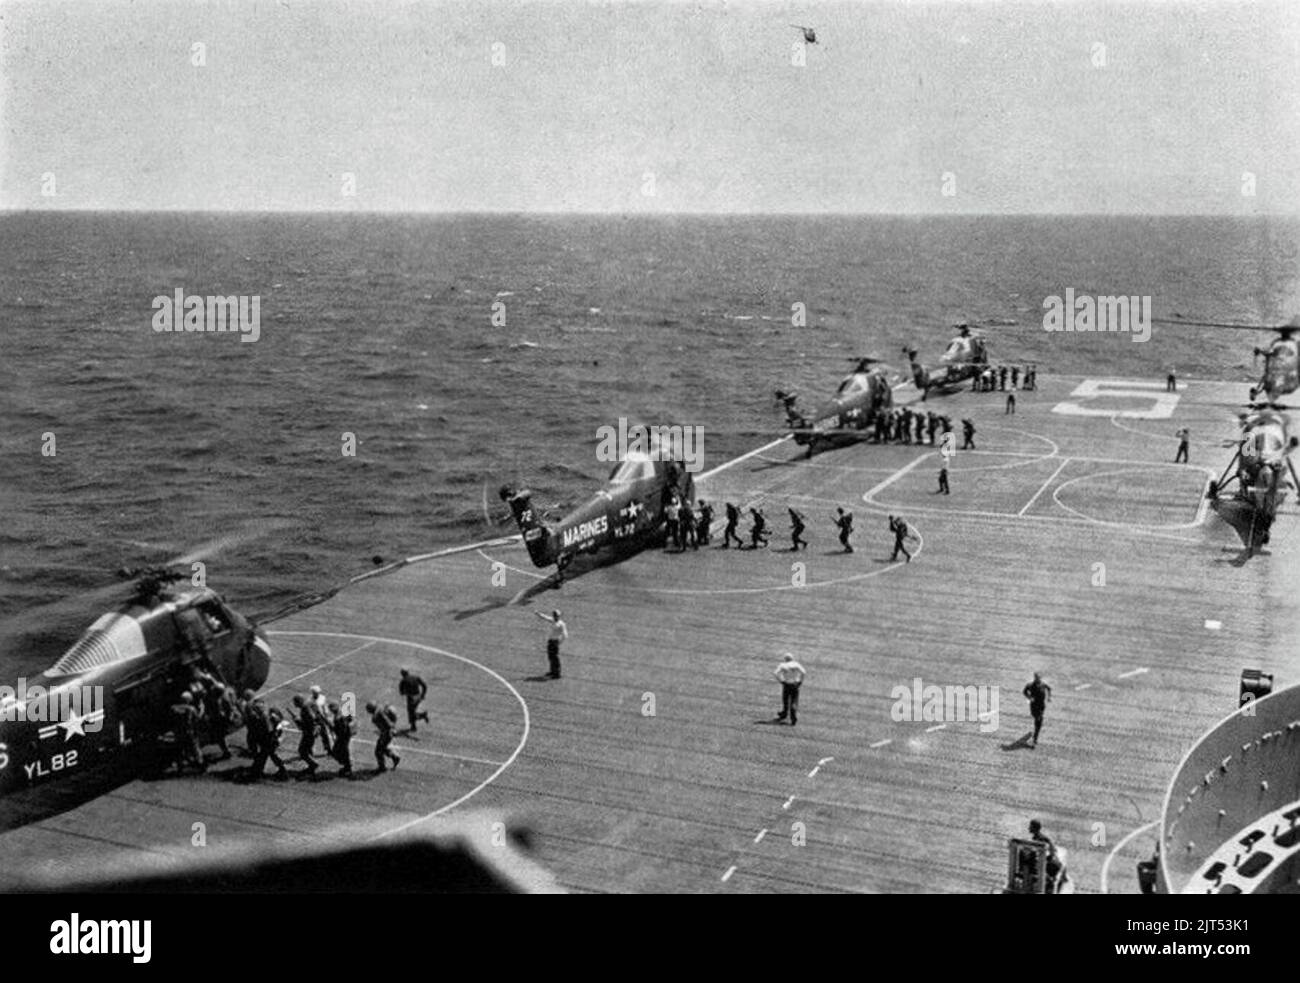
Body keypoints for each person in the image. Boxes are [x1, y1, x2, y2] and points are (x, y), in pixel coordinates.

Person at [170, 690, 205, 773]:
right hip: (190, 732)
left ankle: (180, 767)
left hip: (179, 732)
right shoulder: (191, 709)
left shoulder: (174, 708)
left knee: (180, 749)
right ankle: (201, 765)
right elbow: (198, 718)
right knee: (196, 748)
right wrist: (202, 709)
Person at [773, 653, 807, 726]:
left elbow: (775, 673)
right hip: (795, 684)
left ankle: (784, 713)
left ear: (785, 659)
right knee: (793, 701)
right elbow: (804, 672)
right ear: (792, 658)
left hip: (787, 684)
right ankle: (793, 716)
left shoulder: (783, 665)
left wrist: (781, 681)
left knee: (785, 699)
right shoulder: (796, 664)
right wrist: (800, 681)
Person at [366, 701, 401, 772]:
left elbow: (387, 724)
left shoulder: (377, 716)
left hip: (386, 734)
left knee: (378, 751)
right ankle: (394, 757)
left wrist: (387, 730)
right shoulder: (380, 710)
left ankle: (382, 767)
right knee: (382, 748)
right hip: (386, 733)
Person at [535, 609, 568, 679]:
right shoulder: (553, 620)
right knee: (550, 657)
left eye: (556, 616)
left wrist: (559, 643)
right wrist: (538, 614)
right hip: (551, 641)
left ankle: (557, 673)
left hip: (555, 642)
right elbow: (546, 618)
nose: (555, 617)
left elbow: (565, 635)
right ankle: (552, 671)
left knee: (555, 658)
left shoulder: (561, 624)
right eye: (555, 615)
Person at [1023, 672, 1052, 748]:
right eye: (1036, 678)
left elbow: (1049, 689)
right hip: (1034, 706)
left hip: (1042, 706)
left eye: (1039, 678)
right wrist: (1029, 698)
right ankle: (1034, 735)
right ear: (1034, 678)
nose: (1038, 679)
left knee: (1039, 721)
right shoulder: (1030, 685)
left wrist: (1049, 697)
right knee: (1037, 719)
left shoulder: (1043, 684)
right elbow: (1024, 691)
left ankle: (1035, 739)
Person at [292, 694, 319, 776]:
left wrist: (298, 720)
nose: (294, 704)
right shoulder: (308, 704)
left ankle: (313, 765)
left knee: (302, 751)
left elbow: (310, 720)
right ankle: (311, 766)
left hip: (308, 732)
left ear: (298, 701)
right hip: (312, 731)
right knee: (307, 749)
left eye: (295, 702)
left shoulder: (305, 708)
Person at [331, 702, 355, 777]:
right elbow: (350, 718)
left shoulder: (338, 718)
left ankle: (348, 767)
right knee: (343, 751)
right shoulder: (343, 712)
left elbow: (340, 730)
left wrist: (333, 728)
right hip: (346, 735)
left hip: (342, 737)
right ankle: (347, 766)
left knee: (338, 752)